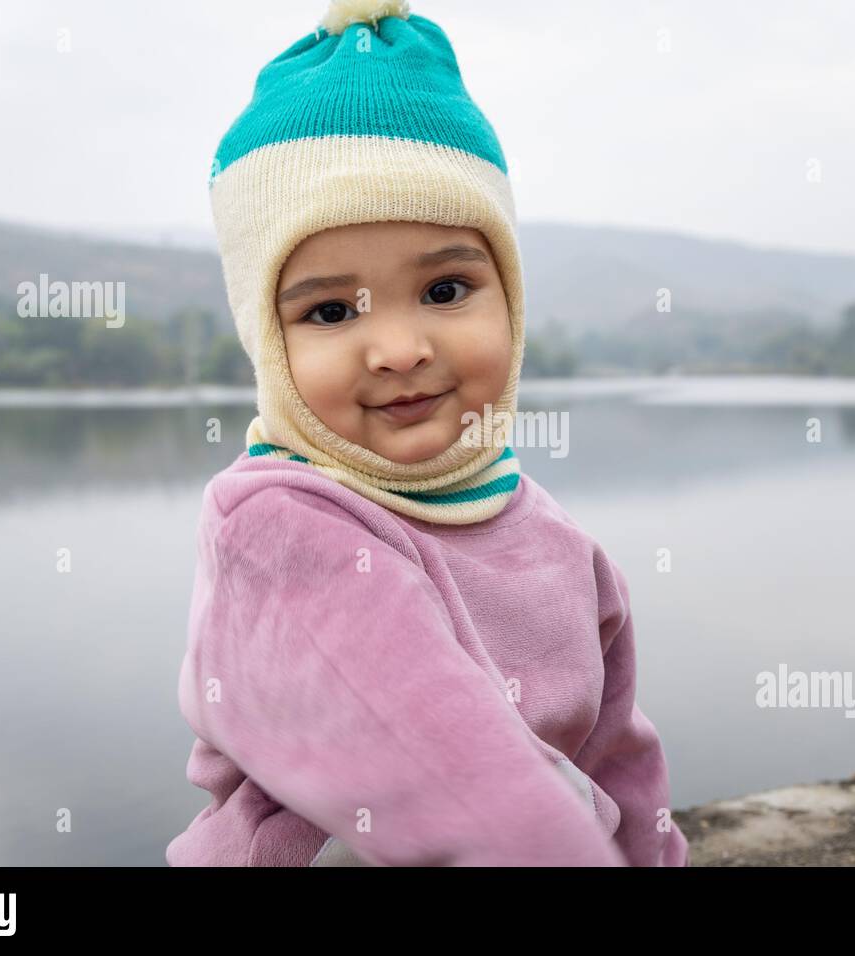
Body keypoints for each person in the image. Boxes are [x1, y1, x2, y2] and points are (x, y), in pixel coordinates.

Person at [166, 0, 689, 867]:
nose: (402, 350)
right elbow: (453, 778)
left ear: (511, 302)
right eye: (332, 310)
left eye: (446, 292)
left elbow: (619, 763)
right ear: (269, 340)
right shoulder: (277, 530)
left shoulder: (548, 534)